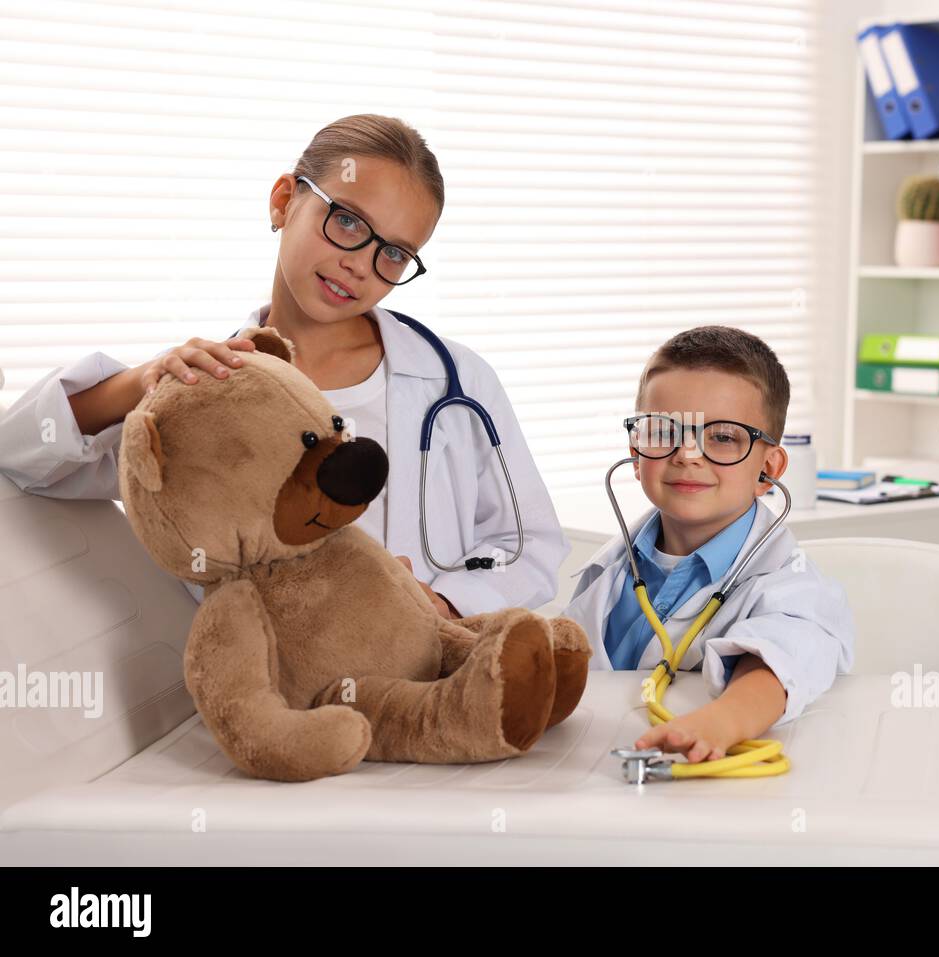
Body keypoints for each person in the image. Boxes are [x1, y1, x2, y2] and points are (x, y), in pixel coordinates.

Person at [0, 114, 568, 615]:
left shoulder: (455, 381)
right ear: (283, 200)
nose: (360, 266)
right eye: (347, 220)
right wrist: (139, 381)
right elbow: (24, 457)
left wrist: (443, 603)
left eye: (393, 253)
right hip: (258, 701)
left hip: (414, 684)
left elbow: (531, 544)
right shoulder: (206, 390)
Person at [562, 326, 854, 763]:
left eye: (722, 437)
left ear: (768, 469)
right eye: (663, 431)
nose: (688, 454)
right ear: (636, 451)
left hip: (701, 787)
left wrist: (723, 721)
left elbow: (780, 660)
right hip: (592, 770)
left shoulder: (788, 585)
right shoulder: (614, 570)